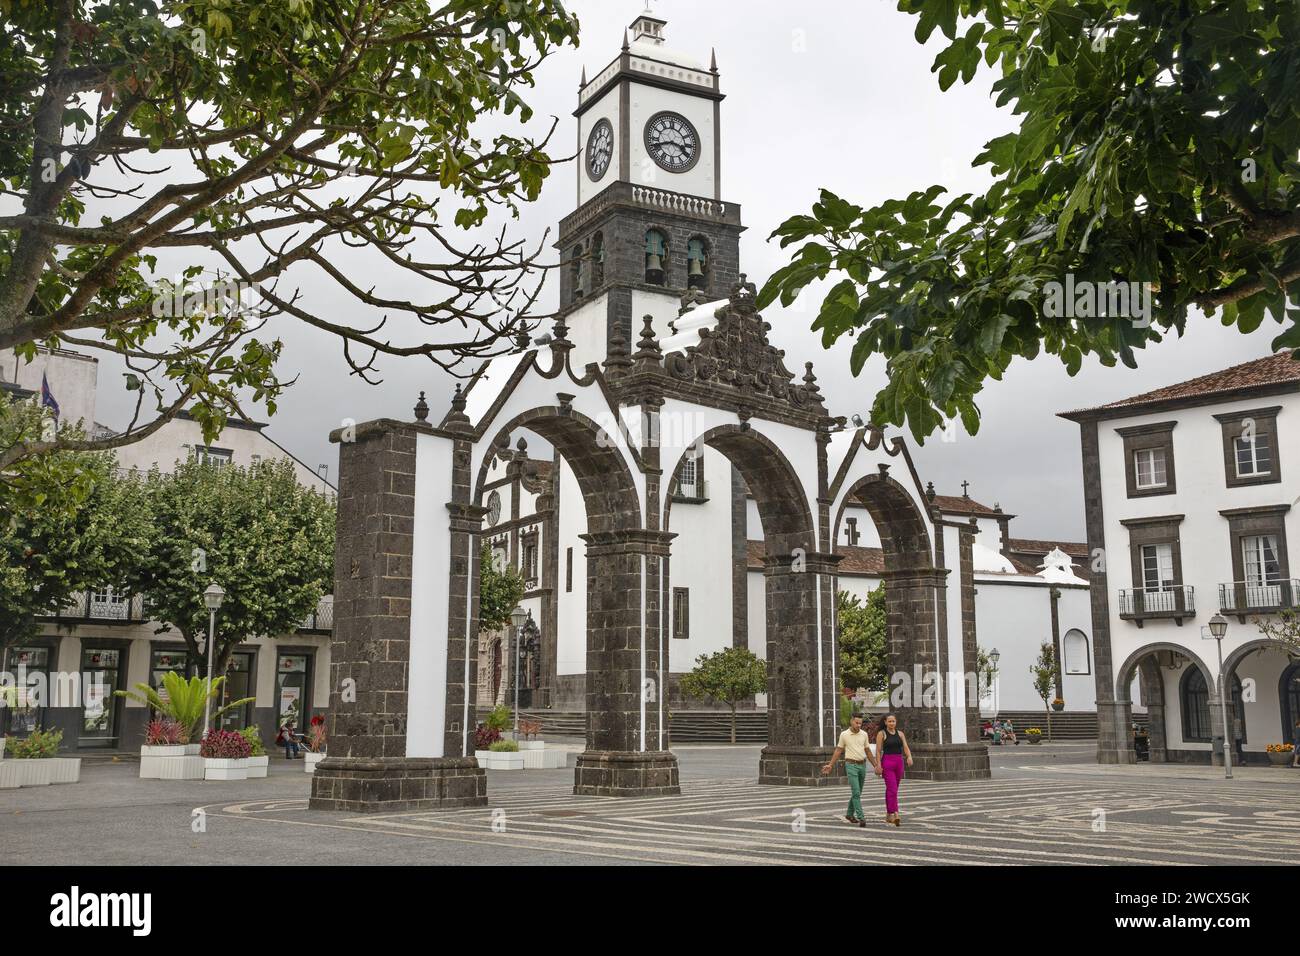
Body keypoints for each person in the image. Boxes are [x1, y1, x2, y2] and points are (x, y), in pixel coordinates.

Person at [821, 713, 879, 826]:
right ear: (851, 721)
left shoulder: (864, 734)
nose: (858, 725)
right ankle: (861, 817)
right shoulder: (844, 735)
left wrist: (875, 765)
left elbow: (867, 751)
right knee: (856, 792)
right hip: (851, 765)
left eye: (860, 723)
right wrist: (831, 765)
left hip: (862, 765)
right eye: (856, 723)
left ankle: (849, 814)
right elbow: (838, 750)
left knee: (858, 792)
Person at [874, 713, 913, 827]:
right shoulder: (881, 734)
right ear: (885, 722)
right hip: (887, 762)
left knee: (892, 789)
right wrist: (878, 765)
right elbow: (878, 750)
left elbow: (905, 746)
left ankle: (888, 814)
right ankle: (895, 813)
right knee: (893, 789)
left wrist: (909, 756)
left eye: (893, 721)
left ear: (896, 722)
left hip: (899, 762)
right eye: (889, 721)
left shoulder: (900, 734)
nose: (891, 723)